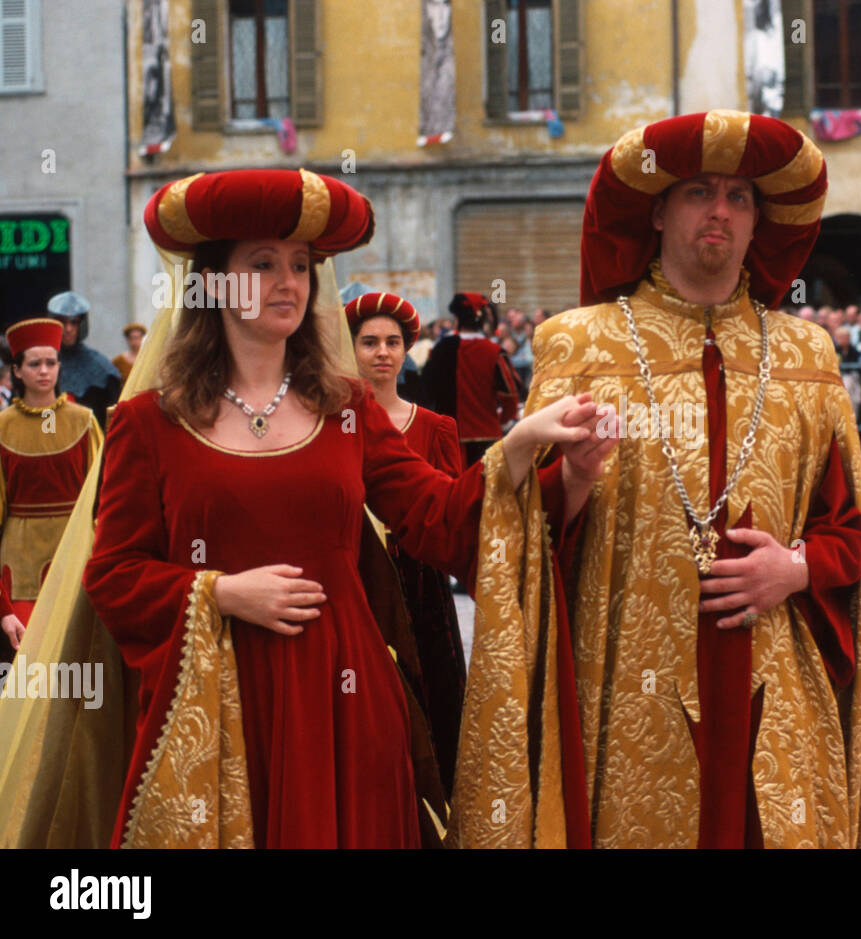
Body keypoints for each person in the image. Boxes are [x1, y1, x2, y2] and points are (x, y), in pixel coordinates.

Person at [0, 168, 617, 849]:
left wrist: (537, 455)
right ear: (214, 282)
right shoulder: (149, 422)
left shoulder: (346, 408)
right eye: (262, 263)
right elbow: (113, 576)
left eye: (302, 264)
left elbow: (441, 519)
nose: (290, 282)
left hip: (346, 705)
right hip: (223, 716)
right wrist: (220, 591)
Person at [452, 109, 861, 849]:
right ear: (657, 211)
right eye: (698, 192)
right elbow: (518, 527)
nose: (719, 211)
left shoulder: (809, 354)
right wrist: (575, 483)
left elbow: (848, 527)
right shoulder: (580, 343)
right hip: (626, 688)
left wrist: (796, 568)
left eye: (739, 197)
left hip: (773, 683)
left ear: (757, 223)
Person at [345, 289, 466, 793]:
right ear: (350, 350)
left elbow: (453, 515)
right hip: (360, 579)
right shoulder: (338, 425)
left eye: (393, 342)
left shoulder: (437, 427)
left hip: (421, 583)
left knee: (432, 698)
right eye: (369, 341)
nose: (382, 353)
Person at [0, 318, 103, 662]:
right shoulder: (2, 427)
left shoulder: (84, 421)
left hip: (76, 552)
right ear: (17, 370)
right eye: (34, 363)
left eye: (51, 362)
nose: (44, 371)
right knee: (30, 669)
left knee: (79, 669)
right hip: (20, 561)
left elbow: (104, 502)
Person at [422, 291, 522, 466]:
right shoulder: (494, 351)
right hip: (488, 435)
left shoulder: (441, 349)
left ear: (457, 318)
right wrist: (502, 419)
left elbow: (426, 391)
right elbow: (510, 395)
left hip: (450, 436)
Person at [45, 291, 122, 429]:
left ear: (80, 324)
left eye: (73, 323)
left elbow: (113, 417)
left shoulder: (101, 368)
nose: (68, 329)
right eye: (62, 322)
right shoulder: (43, 363)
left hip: (90, 440)